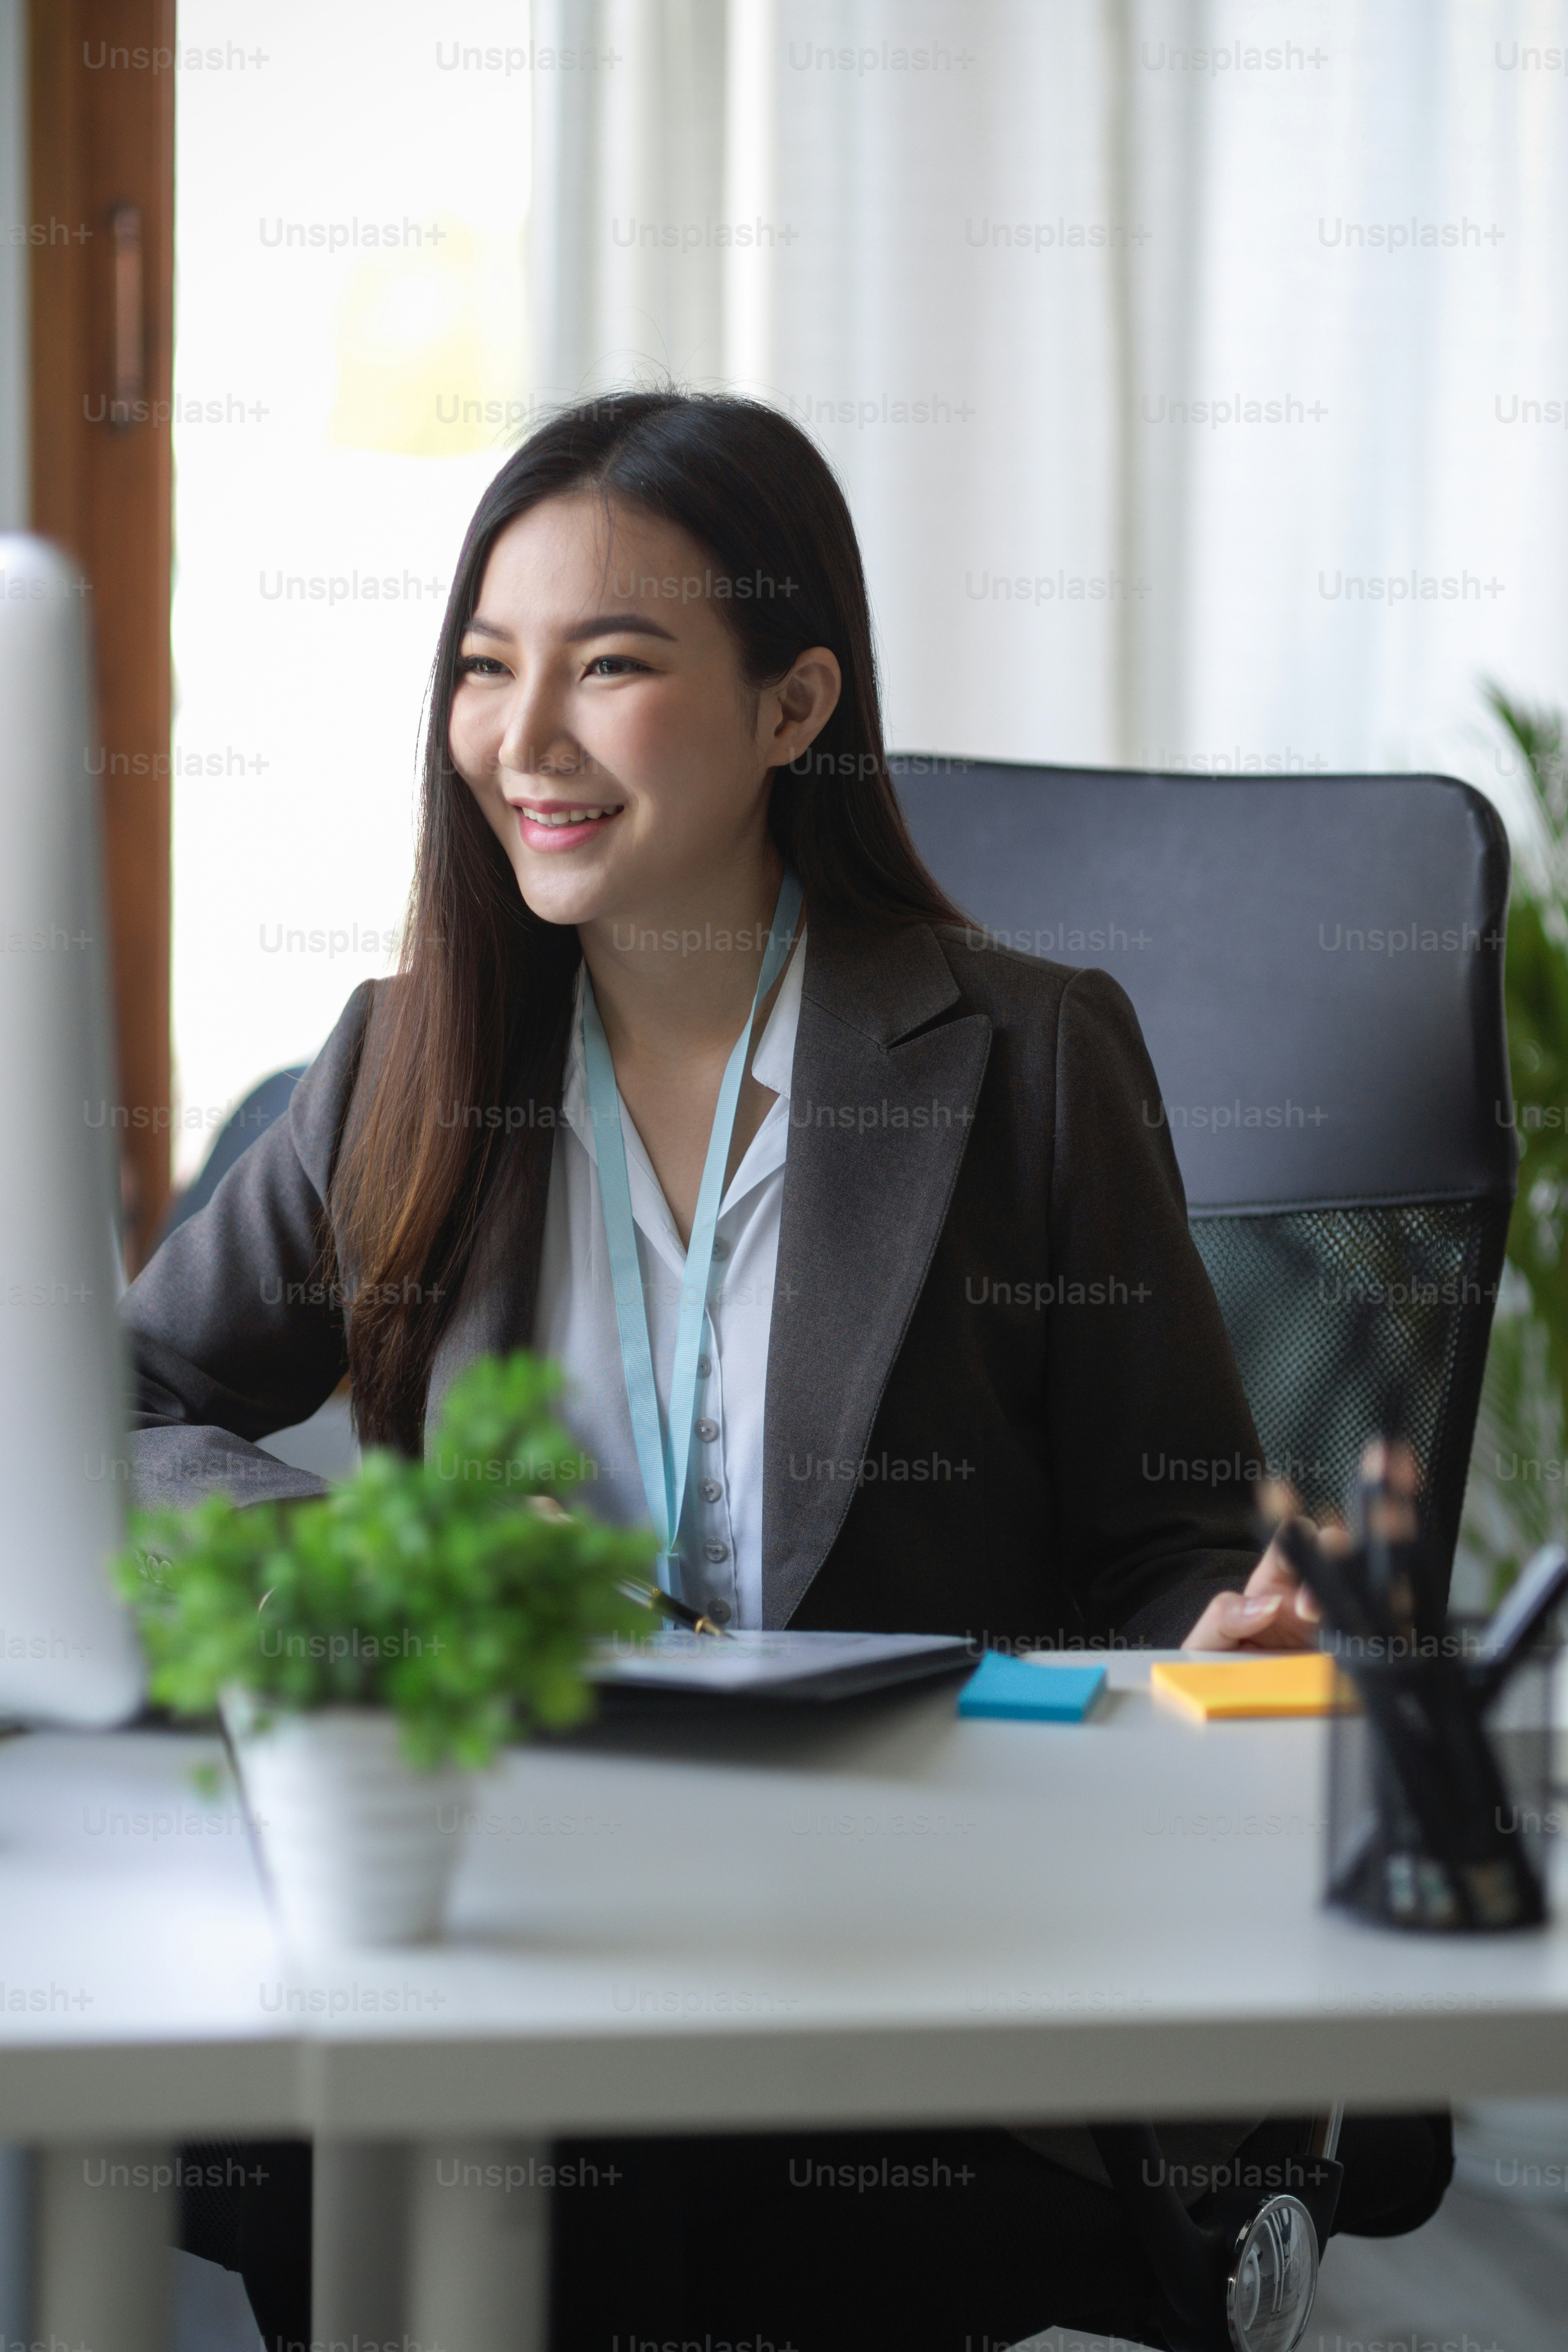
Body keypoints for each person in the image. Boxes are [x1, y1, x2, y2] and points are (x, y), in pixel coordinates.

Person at [125, 391, 1448, 2349]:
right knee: (316, 2138)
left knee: (557, 2174)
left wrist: (1232, 1638)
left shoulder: (1028, 1055)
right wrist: (384, 1573)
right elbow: (114, 1412)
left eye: (614, 666)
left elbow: (1161, 1542)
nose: (525, 739)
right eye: (488, 670)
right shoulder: (403, 1059)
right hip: (522, 1895)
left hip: (891, 1943)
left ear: (791, 703)